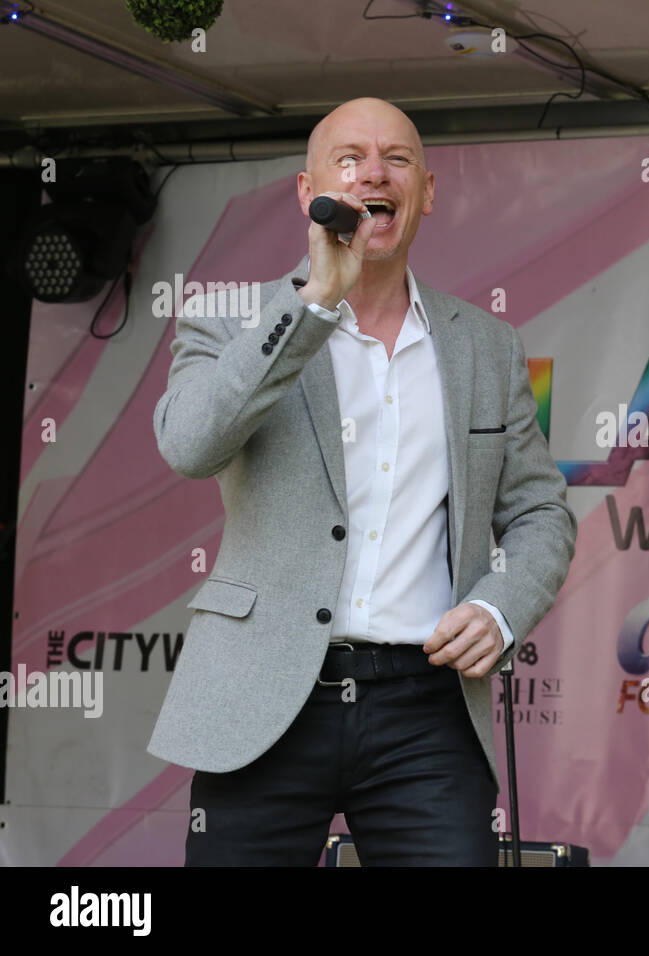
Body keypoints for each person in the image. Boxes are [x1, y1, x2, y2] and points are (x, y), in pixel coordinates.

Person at [148, 97, 576, 865]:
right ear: (309, 189)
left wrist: (502, 608)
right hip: (263, 696)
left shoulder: (487, 346)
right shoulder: (231, 321)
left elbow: (541, 509)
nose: (373, 172)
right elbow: (190, 444)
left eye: (397, 158)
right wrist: (314, 302)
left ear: (429, 192)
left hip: (428, 706)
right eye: (349, 159)